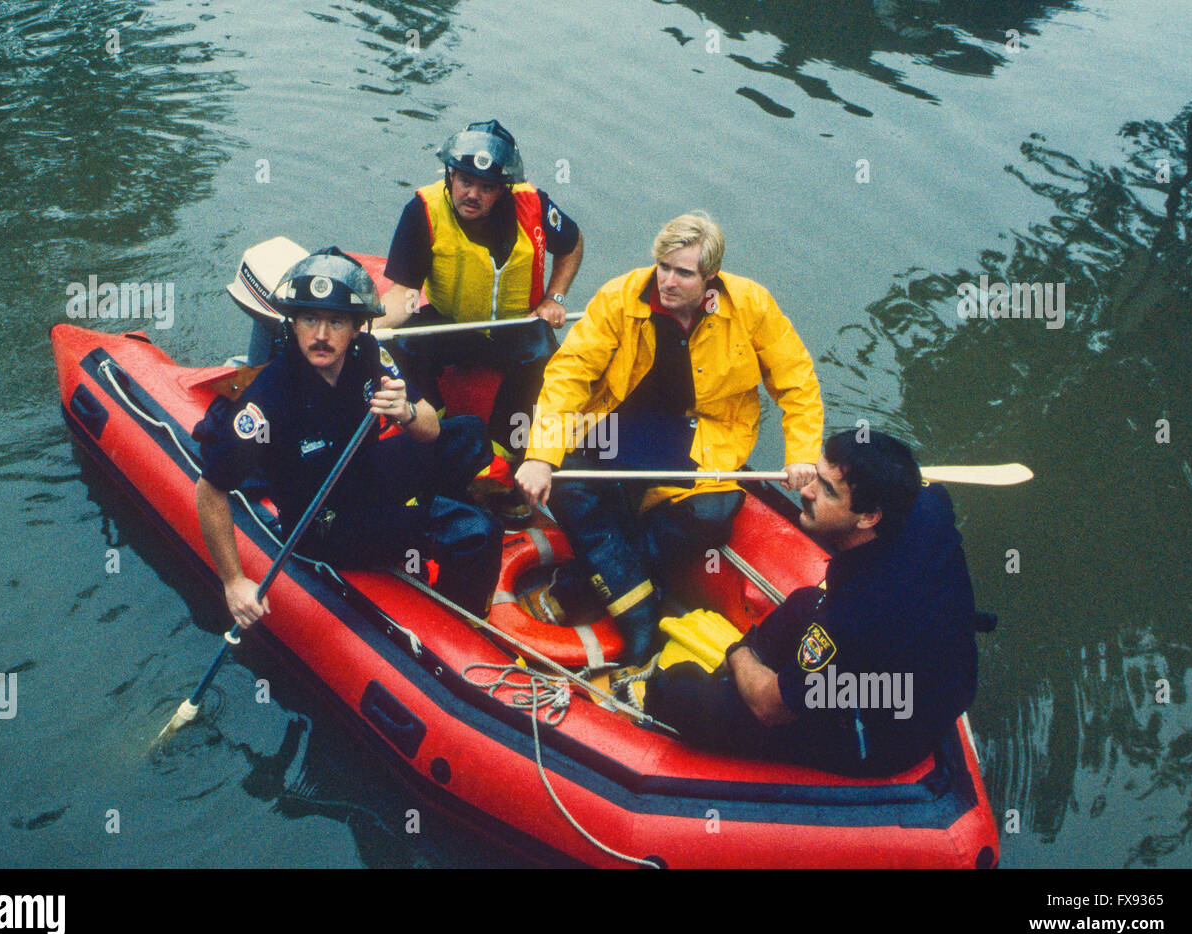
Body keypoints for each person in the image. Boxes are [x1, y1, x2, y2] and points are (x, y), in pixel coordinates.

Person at [514, 212, 823, 666]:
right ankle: (640, 611)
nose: (668, 281)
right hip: (620, 422)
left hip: (704, 433)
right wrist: (541, 454)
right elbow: (569, 374)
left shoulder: (752, 305)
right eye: (663, 266)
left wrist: (801, 456)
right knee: (567, 483)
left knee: (714, 514)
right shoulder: (621, 297)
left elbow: (797, 384)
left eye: (683, 272)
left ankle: (582, 585)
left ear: (710, 276)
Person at [644, 430, 979, 777]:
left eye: (827, 491)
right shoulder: (931, 506)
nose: (806, 491)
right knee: (805, 601)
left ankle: (700, 694)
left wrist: (736, 653)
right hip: (932, 679)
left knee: (679, 690)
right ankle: (759, 675)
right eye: (816, 476)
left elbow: (767, 707)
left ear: (869, 518)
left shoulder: (857, 615)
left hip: (878, 732)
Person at [195, 247, 502, 626]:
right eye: (309, 319)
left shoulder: (368, 354)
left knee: (469, 435)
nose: (321, 336)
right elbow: (210, 489)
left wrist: (406, 412)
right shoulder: (268, 400)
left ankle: (425, 530)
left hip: (363, 477)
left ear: (357, 327)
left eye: (336, 322)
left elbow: (430, 428)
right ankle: (467, 625)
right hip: (323, 524)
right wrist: (233, 581)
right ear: (292, 322)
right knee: (475, 529)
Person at [379, 119, 584, 463]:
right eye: (465, 181)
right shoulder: (422, 211)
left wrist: (555, 297)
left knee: (544, 354)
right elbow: (403, 295)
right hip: (451, 325)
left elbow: (572, 243)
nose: (472, 194)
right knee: (404, 340)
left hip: (515, 328)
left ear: (503, 189)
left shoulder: (533, 204)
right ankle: (434, 425)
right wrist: (370, 331)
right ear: (450, 176)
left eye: (486, 187)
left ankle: (503, 458)